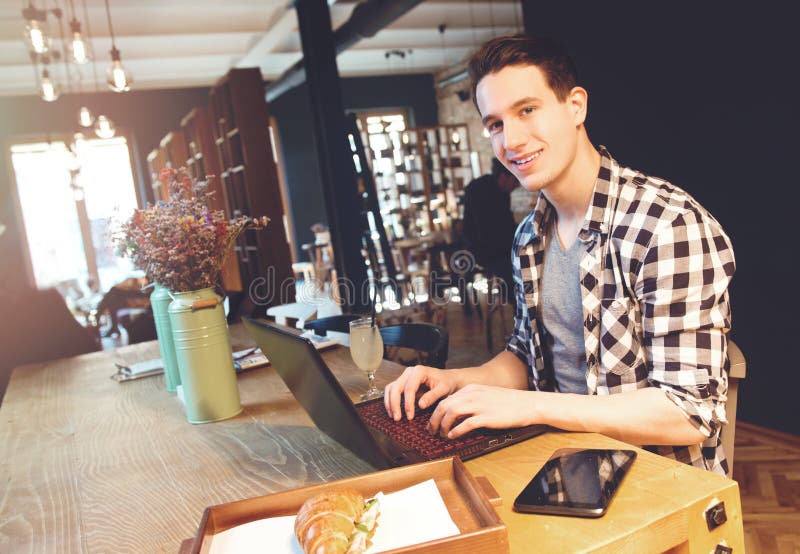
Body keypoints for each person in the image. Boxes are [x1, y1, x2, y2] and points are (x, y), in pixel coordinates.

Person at [384, 35, 735, 474]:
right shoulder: (530, 236)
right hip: (562, 466)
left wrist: (531, 406)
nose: (511, 140)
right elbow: (525, 356)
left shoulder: (665, 225)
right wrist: (456, 380)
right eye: (495, 124)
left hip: (657, 481)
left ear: (576, 107)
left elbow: (687, 412)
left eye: (526, 110)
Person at [462, 158, 518, 308]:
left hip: (498, 247)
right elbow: (486, 233)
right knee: (514, 272)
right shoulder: (480, 191)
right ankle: (520, 310)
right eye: (515, 181)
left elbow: (505, 226)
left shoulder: (501, 191)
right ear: (504, 176)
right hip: (484, 251)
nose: (517, 186)